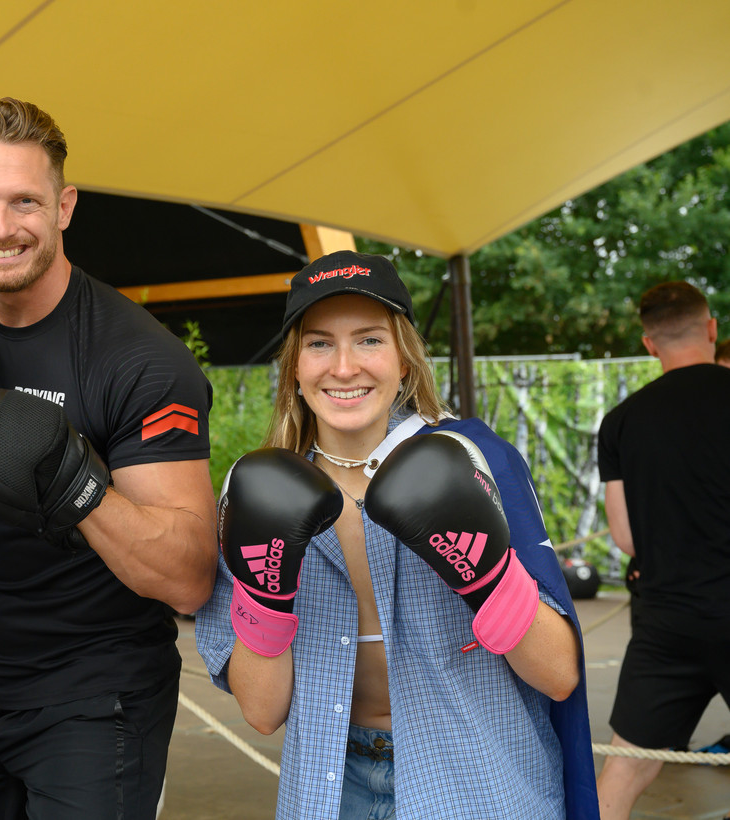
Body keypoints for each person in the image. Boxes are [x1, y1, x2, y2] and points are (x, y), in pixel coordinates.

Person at [0, 97, 216, 819]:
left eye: (25, 201)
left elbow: (186, 576)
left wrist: (72, 483)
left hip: (100, 698)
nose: (1, 228)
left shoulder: (137, 360)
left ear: (64, 206)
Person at [195, 250, 599, 819]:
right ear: (293, 366)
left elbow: (558, 677)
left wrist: (490, 577)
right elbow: (262, 714)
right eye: (318, 343)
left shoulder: (477, 461)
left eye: (369, 340)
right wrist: (266, 591)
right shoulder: (256, 489)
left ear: (404, 360)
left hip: (478, 781)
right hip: (331, 787)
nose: (343, 366)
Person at [594, 281, 730, 820]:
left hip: (668, 622)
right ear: (711, 328)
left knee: (625, 768)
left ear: (650, 344)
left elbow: (625, 538)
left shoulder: (622, 420)